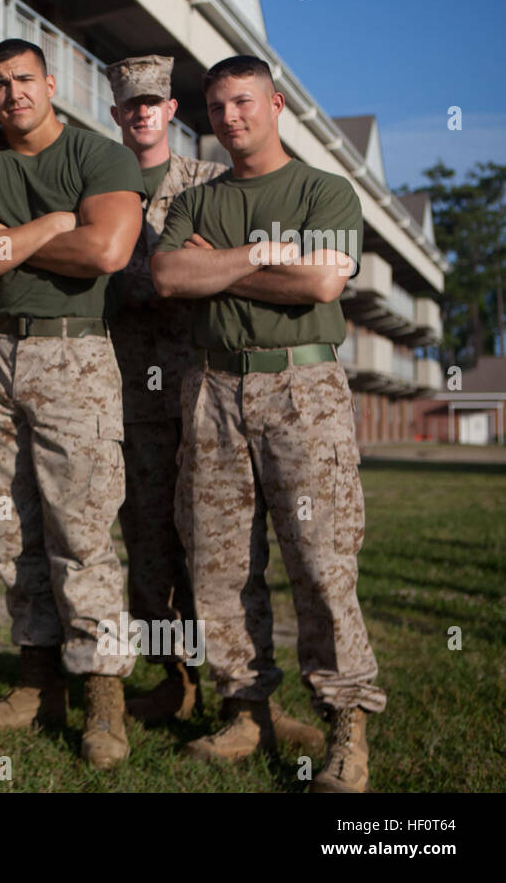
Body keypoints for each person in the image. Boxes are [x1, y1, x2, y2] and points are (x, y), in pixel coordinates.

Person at [152, 54, 385, 793]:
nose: (231, 118)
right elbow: (166, 276)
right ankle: (245, 707)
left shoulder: (324, 190)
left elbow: (322, 280)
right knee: (220, 565)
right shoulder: (196, 199)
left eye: (244, 102)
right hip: (213, 386)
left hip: (302, 386)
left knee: (321, 560)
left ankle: (347, 723)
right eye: (218, 107)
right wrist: (261, 255)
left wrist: (217, 265)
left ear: (276, 103)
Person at [0, 38, 144, 768]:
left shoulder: (97, 156)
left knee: (81, 531)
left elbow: (108, 250)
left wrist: (10, 241)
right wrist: (55, 226)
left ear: (50, 83)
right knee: (11, 528)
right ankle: (36, 684)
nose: (11, 92)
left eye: (23, 78)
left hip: (74, 354)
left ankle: (103, 697)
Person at [102, 55, 226, 723]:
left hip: (205, 387)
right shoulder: (101, 182)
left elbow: (227, 264)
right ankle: (174, 677)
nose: (143, 112)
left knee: (216, 540)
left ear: (171, 110)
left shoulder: (211, 181)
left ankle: (234, 681)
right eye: (131, 104)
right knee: (148, 541)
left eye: (155, 102)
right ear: (117, 113)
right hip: (131, 391)